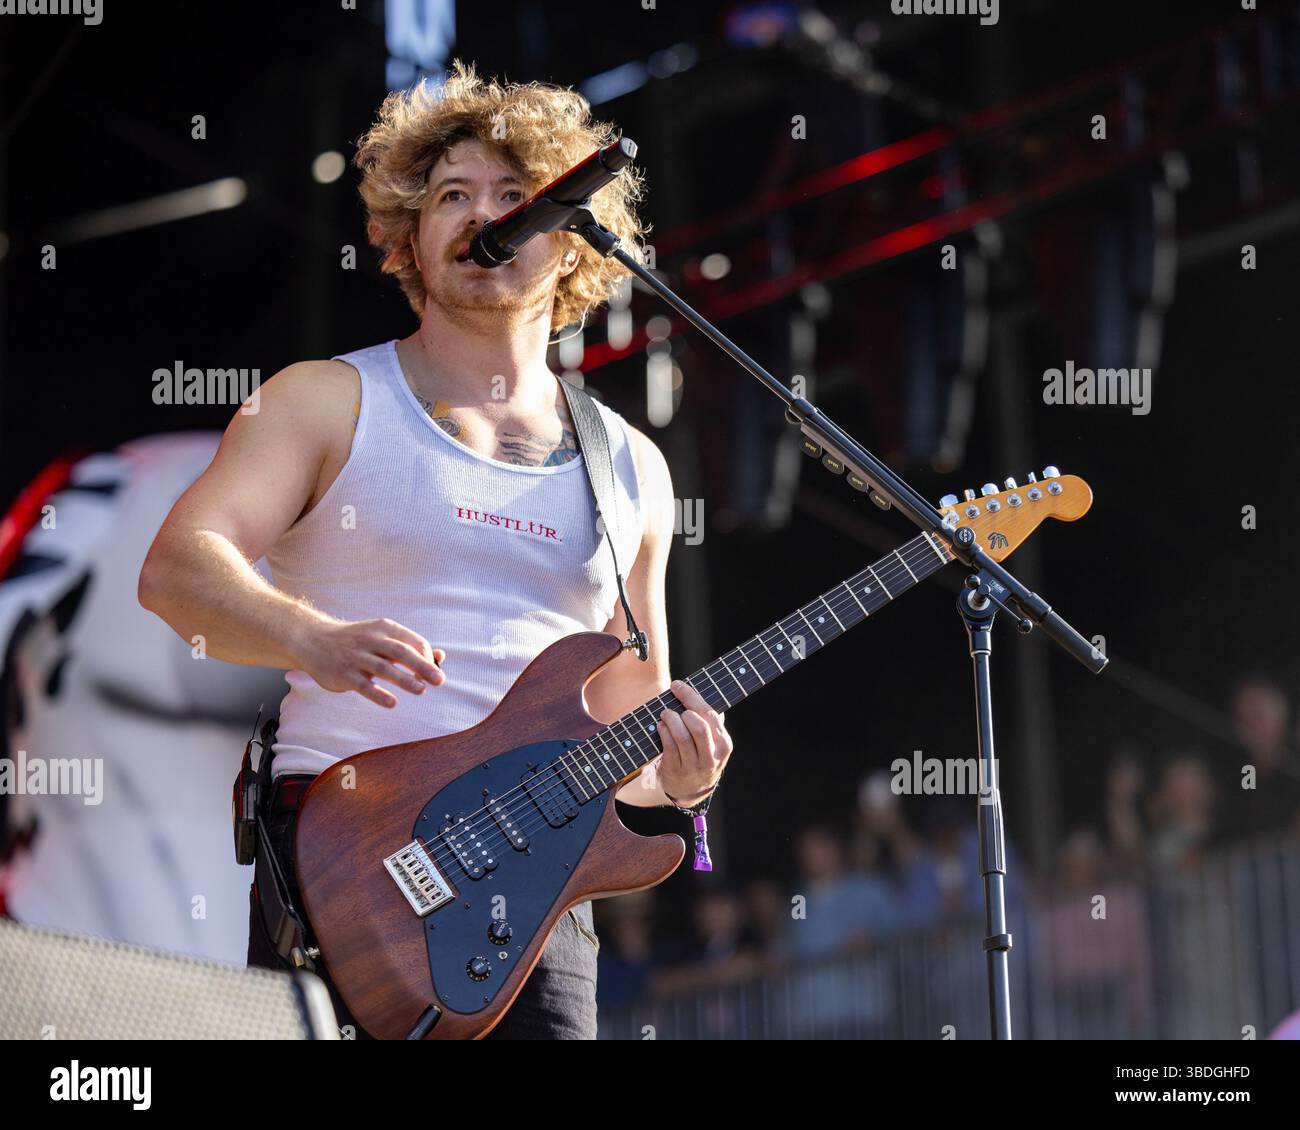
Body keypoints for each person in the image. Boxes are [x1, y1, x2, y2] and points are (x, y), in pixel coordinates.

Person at [137, 61, 734, 1039]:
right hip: (350, 874)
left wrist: (683, 777)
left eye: (511, 196)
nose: (478, 215)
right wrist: (314, 636)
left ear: (569, 235)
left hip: (540, 906)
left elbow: (635, 725)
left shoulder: (633, 467)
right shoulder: (325, 398)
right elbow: (178, 568)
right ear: (409, 232)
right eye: (450, 194)